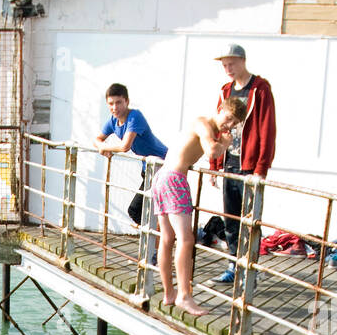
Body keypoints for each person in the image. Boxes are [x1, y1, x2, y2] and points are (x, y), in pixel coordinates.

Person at [151, 98, 247, 315]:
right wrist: (225, 142)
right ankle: (184, 296)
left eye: (234, 123)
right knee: (185, 239)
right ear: (220, 109)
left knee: (167, 238)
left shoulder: (206, 126)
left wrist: (222, 140)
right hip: (174, 179)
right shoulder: (203, 124)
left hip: (162, 177)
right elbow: (212, 151)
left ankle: (169, 294)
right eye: (228, 118)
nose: (229, 125)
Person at [208, 45, 276, 284]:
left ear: (243, 61)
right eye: (224, 65)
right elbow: (217, 127)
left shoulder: (260, 88)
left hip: (249, 165)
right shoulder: (225, 90)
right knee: (230, 221)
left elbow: (267, 130)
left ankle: (249, 271)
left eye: (232, 64)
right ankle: (233, 267)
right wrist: (215, 164)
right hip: (229, 163)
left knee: (249, 221)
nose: (228, 69)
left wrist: (261, 169)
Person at [94, 82, 168, 225]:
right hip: (148, 168)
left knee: (136, 210)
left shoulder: (134, 116)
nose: (115, 107)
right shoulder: (113, 121)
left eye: (119, 102)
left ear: (127, 101)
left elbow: (124, 146)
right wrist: (102, 146)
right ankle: (159, 239)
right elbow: (97, 139)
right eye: (111, 103)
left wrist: (106, 148)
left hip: (163, 165)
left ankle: (161, 238)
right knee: (148, 212)